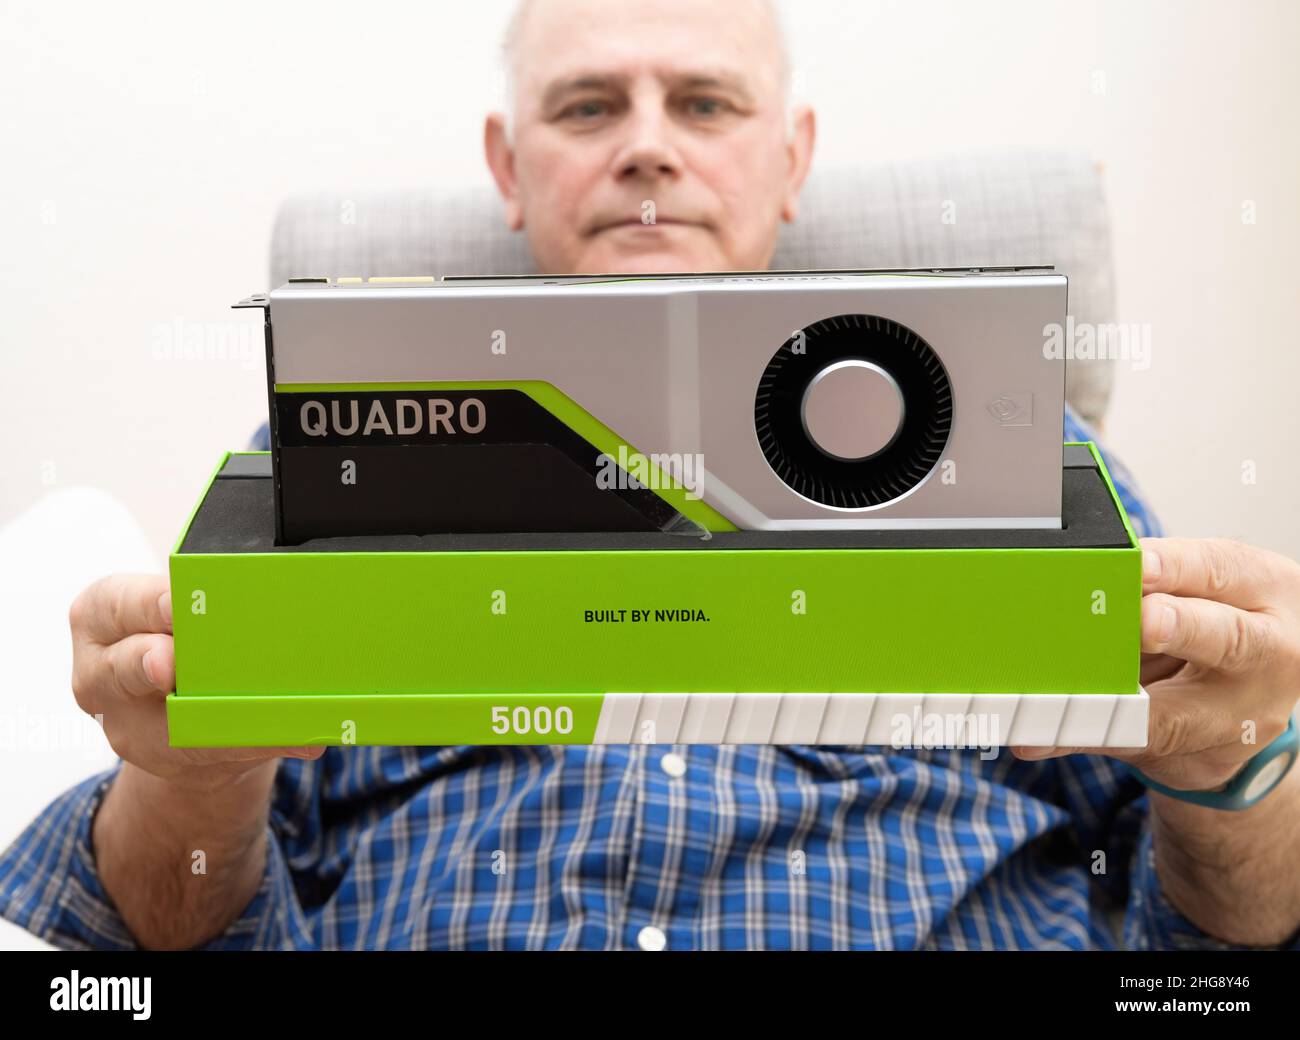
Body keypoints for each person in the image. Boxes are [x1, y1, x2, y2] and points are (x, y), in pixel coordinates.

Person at [2, 0, 1298, 951]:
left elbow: (1219, 945)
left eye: (705, 102)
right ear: (510, 169)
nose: (646, 147)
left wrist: (1240, 775)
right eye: (586, 106)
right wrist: (191, 778)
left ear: (791, 159)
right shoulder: (329, 467)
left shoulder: (1036, 470)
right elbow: (151, 947)